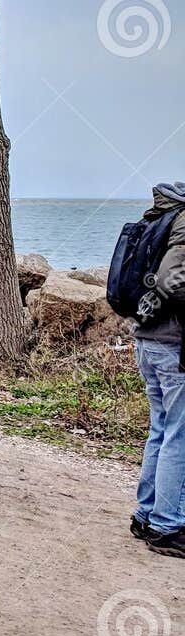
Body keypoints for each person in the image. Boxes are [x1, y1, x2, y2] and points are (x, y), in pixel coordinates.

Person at [118, 182, 185, 555]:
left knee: (161, 429)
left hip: (147, 338)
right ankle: (167, 526)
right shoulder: (183, 223)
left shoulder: (156, 220)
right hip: (174, 344)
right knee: (179, 435)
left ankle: (147, 515)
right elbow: (172, 280)